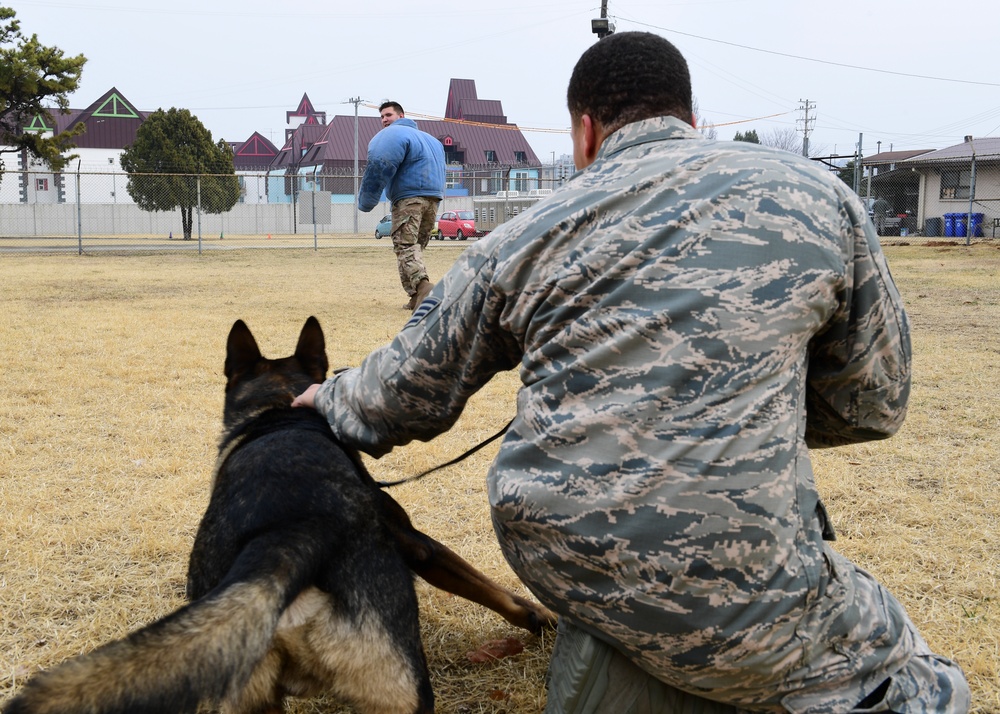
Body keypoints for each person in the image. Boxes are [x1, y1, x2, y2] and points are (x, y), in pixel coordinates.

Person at [294, 32, 969, 714]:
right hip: (747, 582)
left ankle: (626, 659)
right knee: (931, 688)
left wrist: (330, 395)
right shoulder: (817, 196)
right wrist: (747, 410)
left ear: (584, 133)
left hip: (563, 556)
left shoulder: (524, 234)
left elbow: (406, 390)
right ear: (691, 121)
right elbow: (874, 403)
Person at [359, 101, 445, 310]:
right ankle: (416, 297)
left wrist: (366, 201)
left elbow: (379, 165)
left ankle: (424, 288)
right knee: (415, 248)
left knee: (404, 246)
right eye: (381, 117)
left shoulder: (393, 135)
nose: (384, 120)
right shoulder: (432, 140)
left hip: (409, 198)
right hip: (433, 199)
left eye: (388, 115)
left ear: (401, 115)